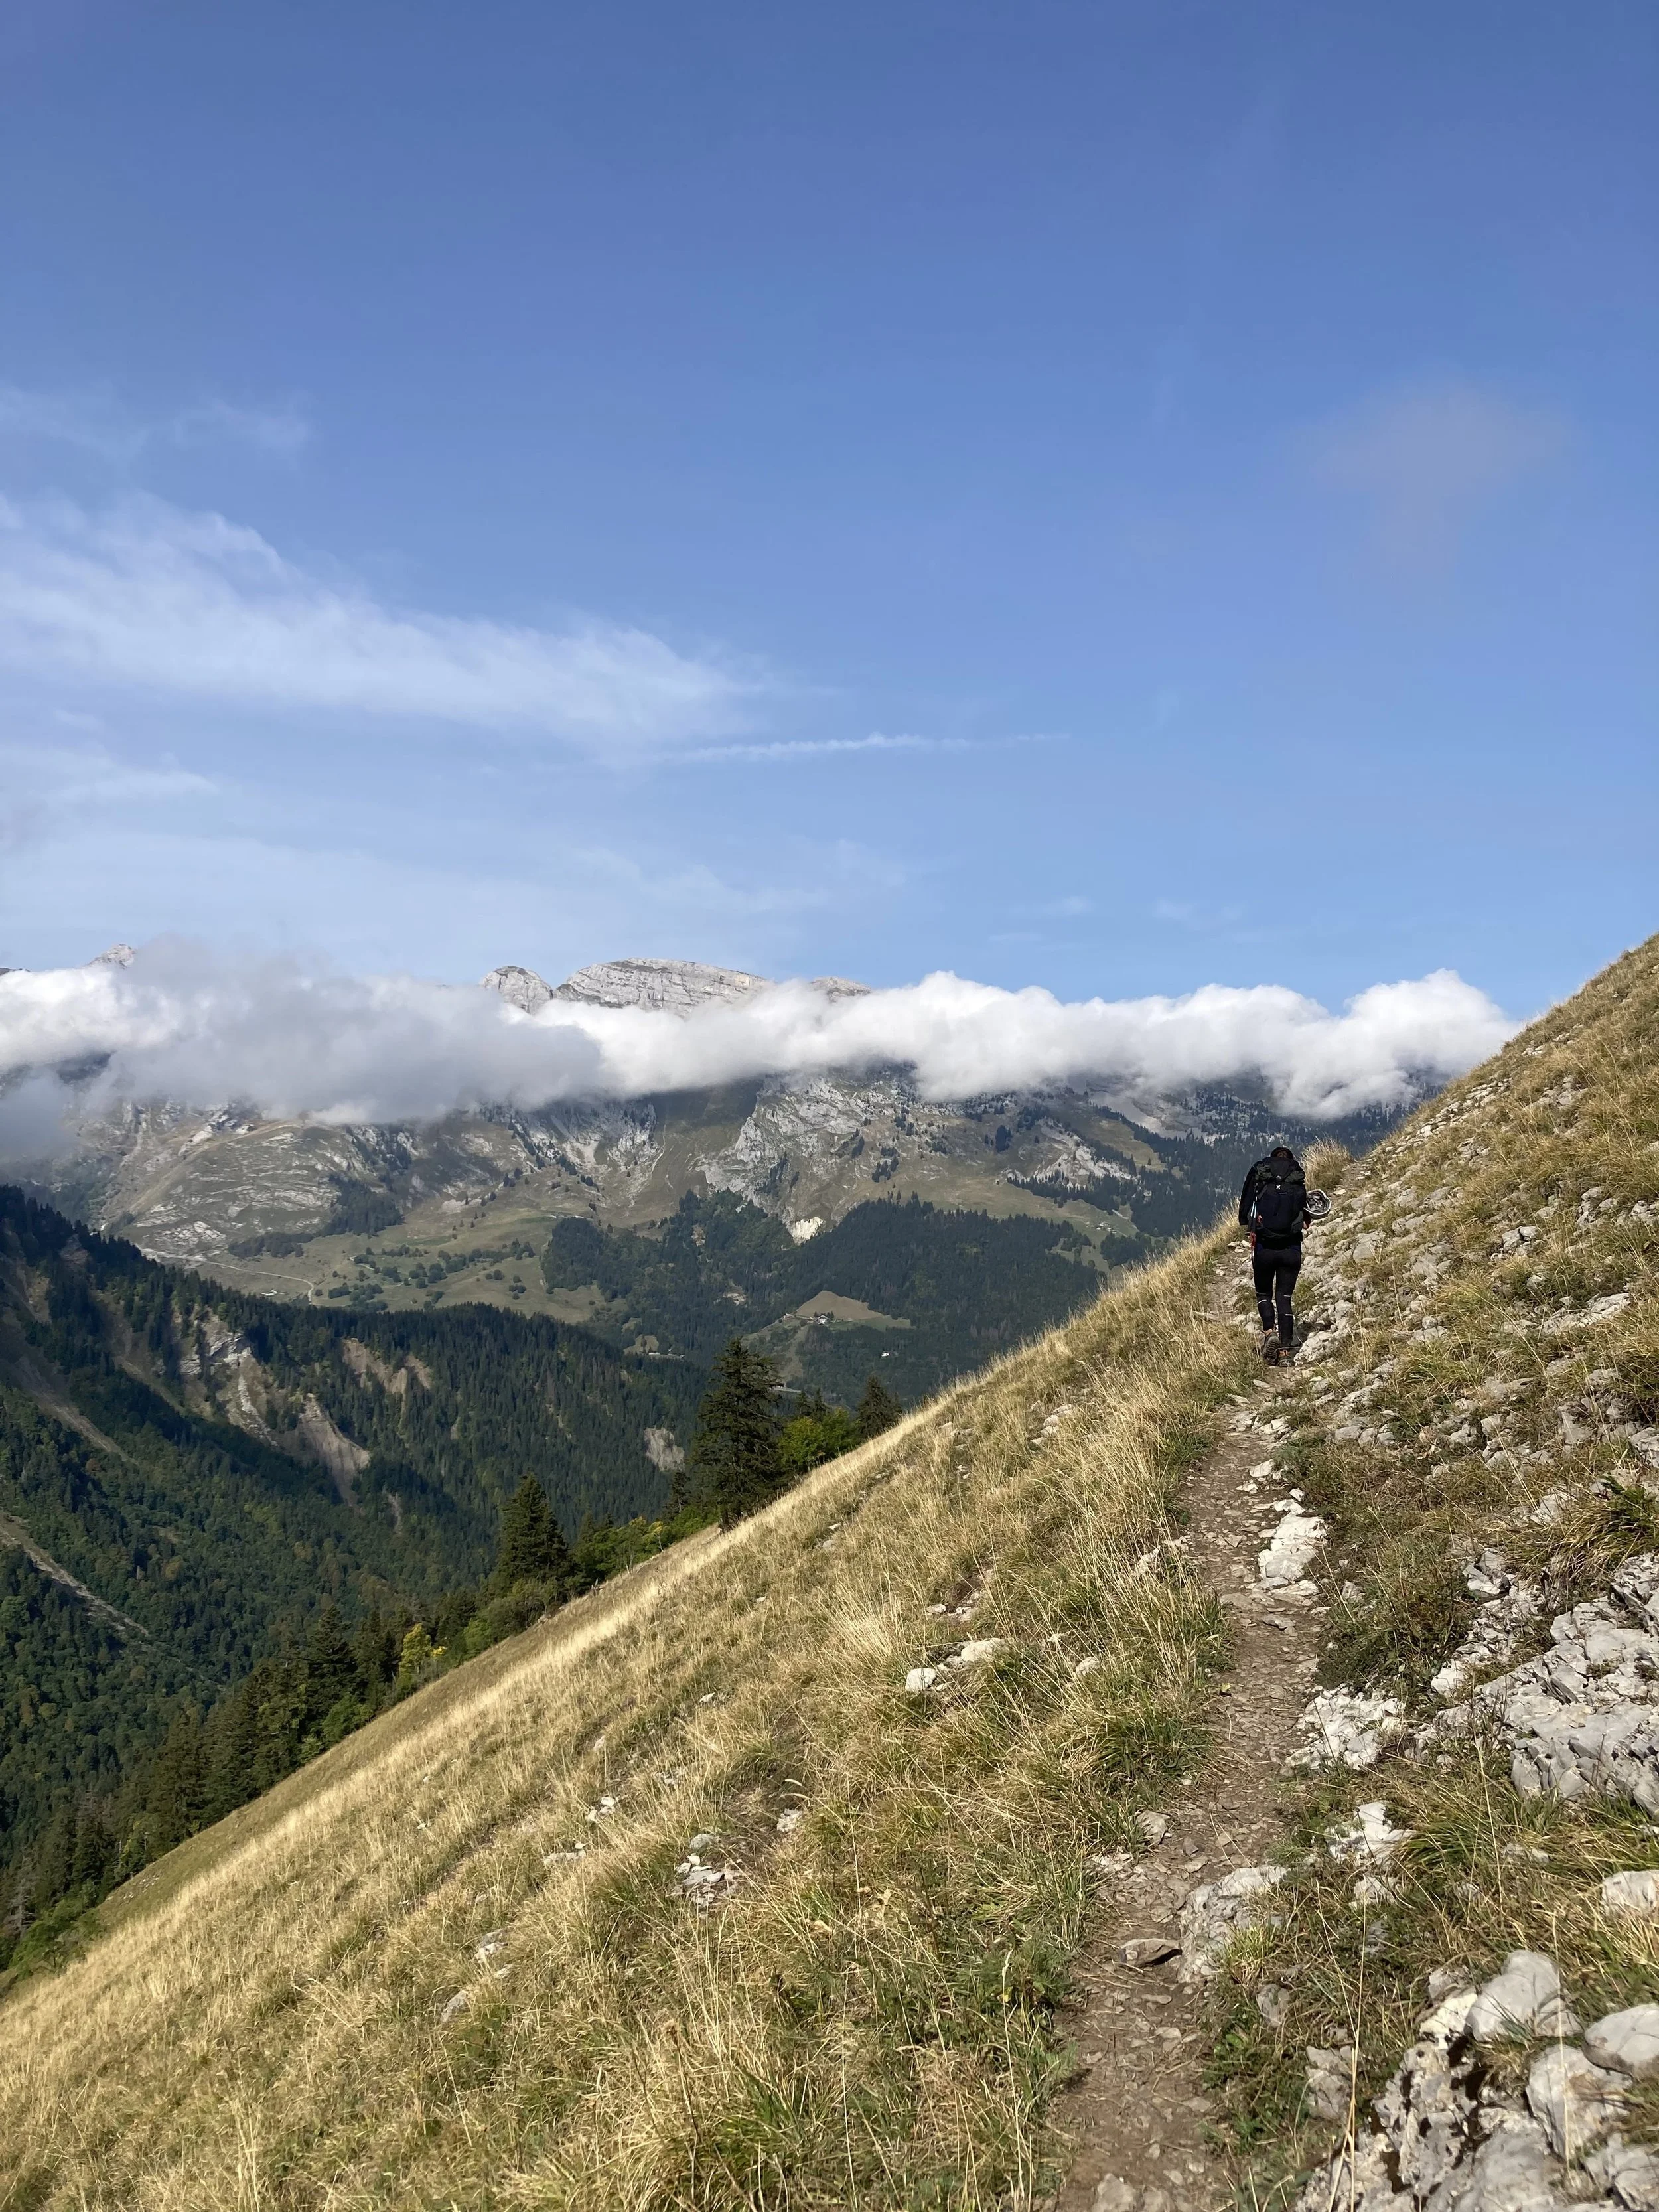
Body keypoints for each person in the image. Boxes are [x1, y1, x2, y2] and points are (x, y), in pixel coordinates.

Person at [1238, 1145, 1311, 1363]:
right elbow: (1305, 1217)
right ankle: (1286, 1351)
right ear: (1290, 1161)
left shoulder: (1261, 1175)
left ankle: (1270, 1333)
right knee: (1284, 1298)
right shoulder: (1296, 1178)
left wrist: (1248, 1224)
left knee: (1263, 1294)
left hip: (1264, 1247)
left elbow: (1246, 1205)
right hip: (1291, 1249)